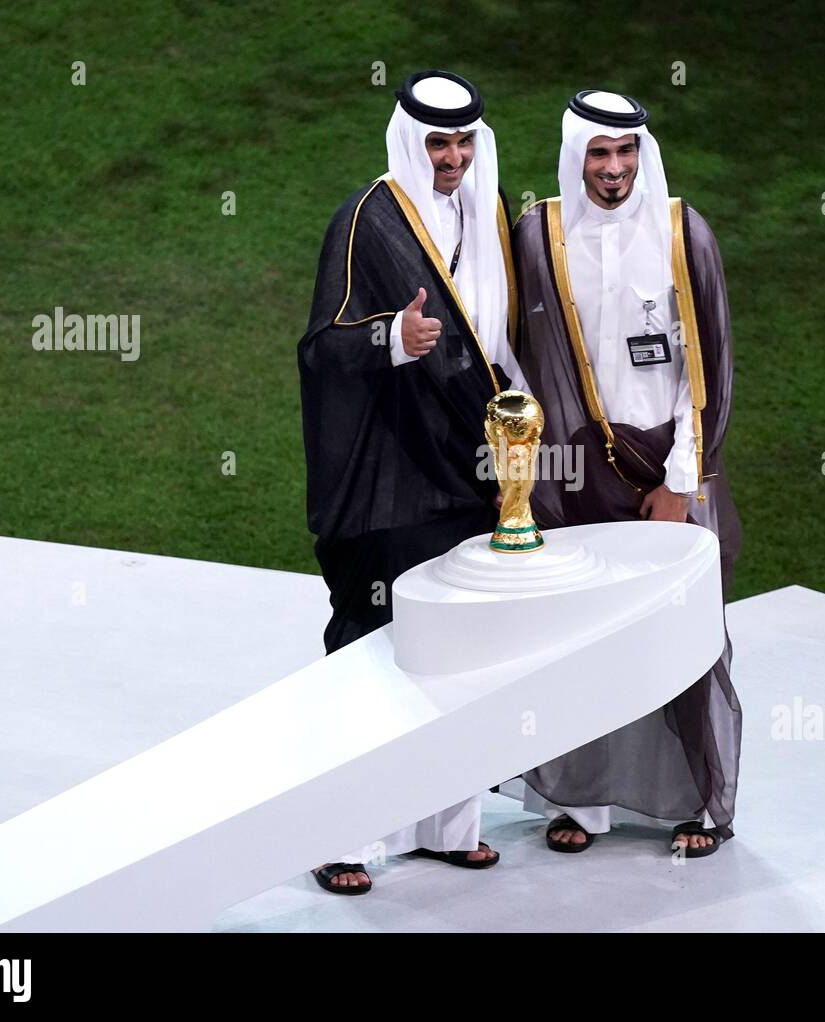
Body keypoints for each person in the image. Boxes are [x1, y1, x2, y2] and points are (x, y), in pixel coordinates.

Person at [296, 69, 524, 893]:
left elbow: (502, 344)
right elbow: (321, 347)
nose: (453, 156)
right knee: (371, 651)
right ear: (408, 139)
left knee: (458, 652)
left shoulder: (490, 214)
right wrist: (395, 336)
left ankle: (447, 826)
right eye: (438, 141)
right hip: (388, 477)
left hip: (467, 469)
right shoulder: (366, 220)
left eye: (465, 140)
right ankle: (341, 836)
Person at [509, 90, 742, 858]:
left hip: (666, 473)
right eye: (599, 154)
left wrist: (679, 483)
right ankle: (586, 801)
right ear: (576, 154)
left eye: (627, 152)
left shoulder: (683, 236)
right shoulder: (539, 236)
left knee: (681, 637)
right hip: (574, 479)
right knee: (582, 636)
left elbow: (706, 373)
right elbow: (517, 359)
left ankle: (698, 804)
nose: (614, 170)